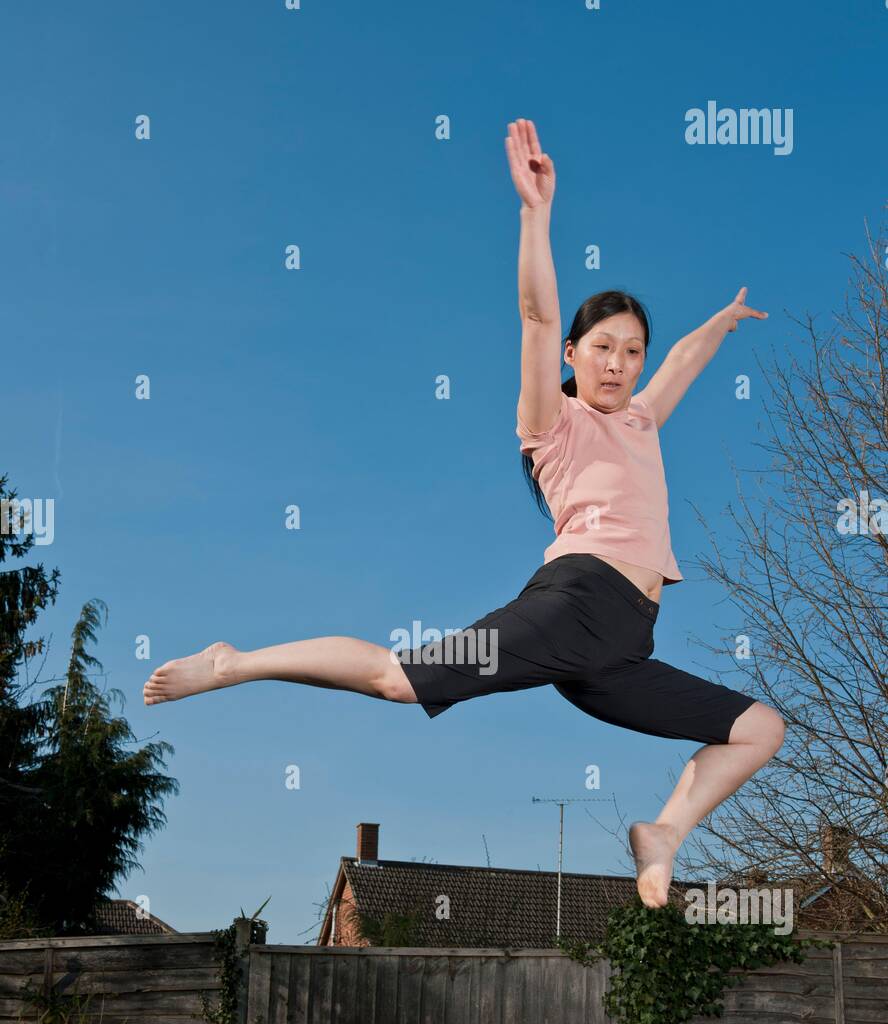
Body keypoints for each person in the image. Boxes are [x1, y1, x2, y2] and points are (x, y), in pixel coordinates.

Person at [143, 117, 785, 909]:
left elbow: (681, 362)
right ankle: (235, 661)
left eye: (632, 351)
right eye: (604, 348)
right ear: (572, 360)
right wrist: (535, 213)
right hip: (573, 608)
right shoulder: (554, 420)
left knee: (760, 727)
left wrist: (718, 325)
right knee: (397, 679)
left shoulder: (642, 421)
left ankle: (662, 835)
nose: (620, 363)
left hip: (620, 652)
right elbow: (538, 315)